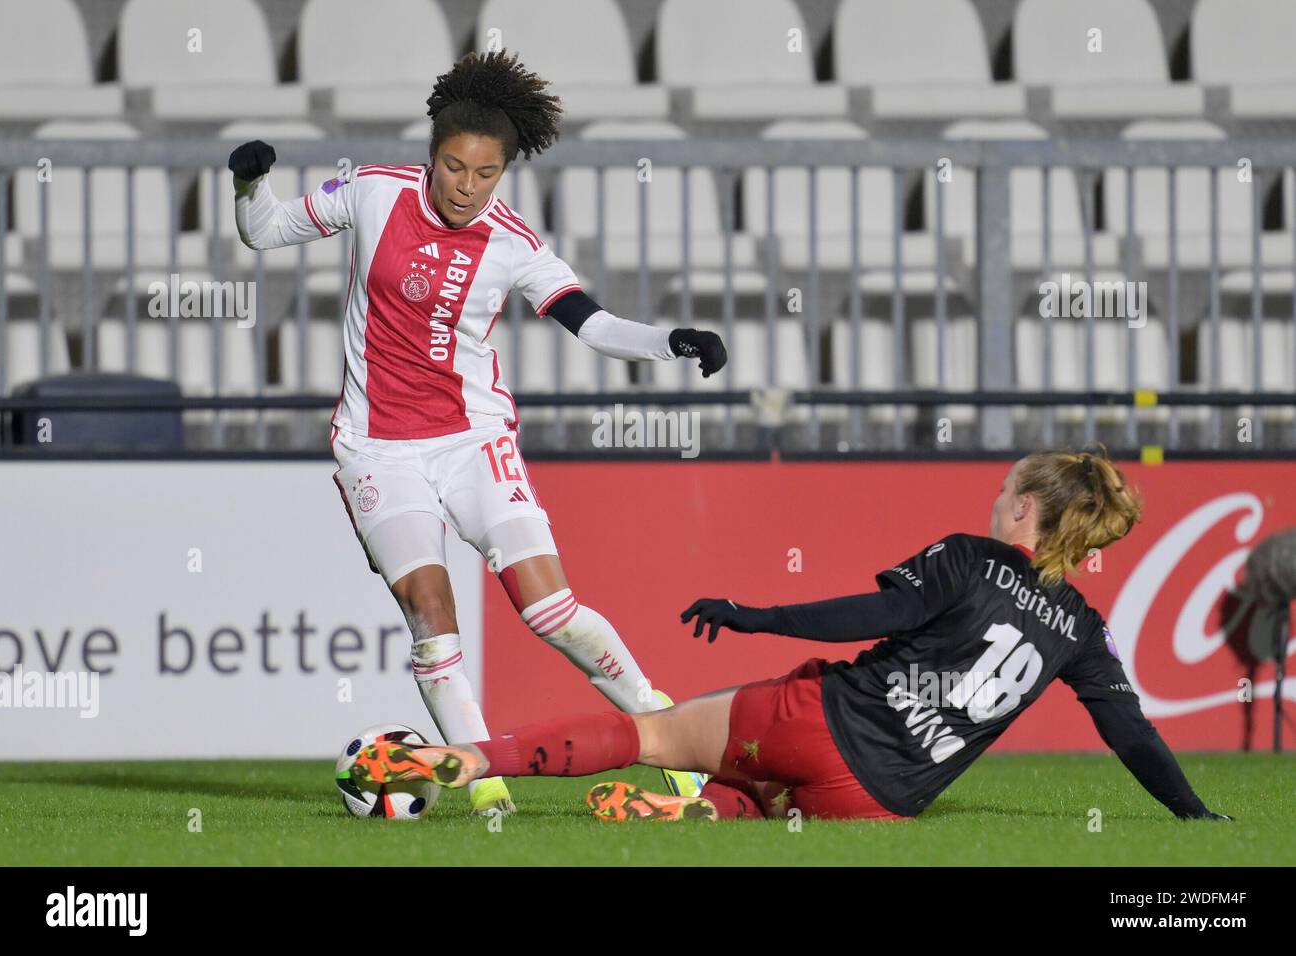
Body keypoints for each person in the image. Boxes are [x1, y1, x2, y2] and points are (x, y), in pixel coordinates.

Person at [230, 50, 726, 814]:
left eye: (486, 173)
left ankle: (668, 737)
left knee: (550, 611)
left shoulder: (512, 242)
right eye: (455, 167)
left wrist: (671, 341)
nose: (467, 186)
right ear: (432, 155)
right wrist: (249, 184)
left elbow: (590, 323)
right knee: (431, 618)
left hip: (472, 442)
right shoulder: (372, 192)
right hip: (378, 449)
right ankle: (488, 792)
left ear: (504, 172)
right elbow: (264, 231)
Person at [350, 449, 1233, 823]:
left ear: (1027, 507)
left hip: (823, 724)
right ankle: (702, 812)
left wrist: (759, 615)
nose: (996, 498)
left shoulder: (971, 557)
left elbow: (879, 617)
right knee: (768, 791)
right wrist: (1195, 817)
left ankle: (471, 758)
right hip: (887, 800)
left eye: (1006, 490)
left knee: (648, 734)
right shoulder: (1082, 627)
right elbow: (1131, 733)